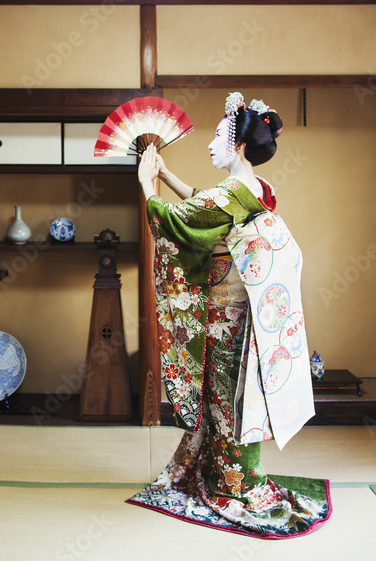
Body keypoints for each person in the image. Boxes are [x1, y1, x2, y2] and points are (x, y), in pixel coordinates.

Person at [126, 93, 331, 538]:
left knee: (229, 405)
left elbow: (181, 221)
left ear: (238, 146)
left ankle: (235, 485)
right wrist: (166, 173)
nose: (209, 145)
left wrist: (147, 186)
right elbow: (206, 210)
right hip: (244, 314)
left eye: (218, 136)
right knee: (233, 403)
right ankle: (228, 476)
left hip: (229, 318)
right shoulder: (253, 189)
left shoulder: (232, 192)